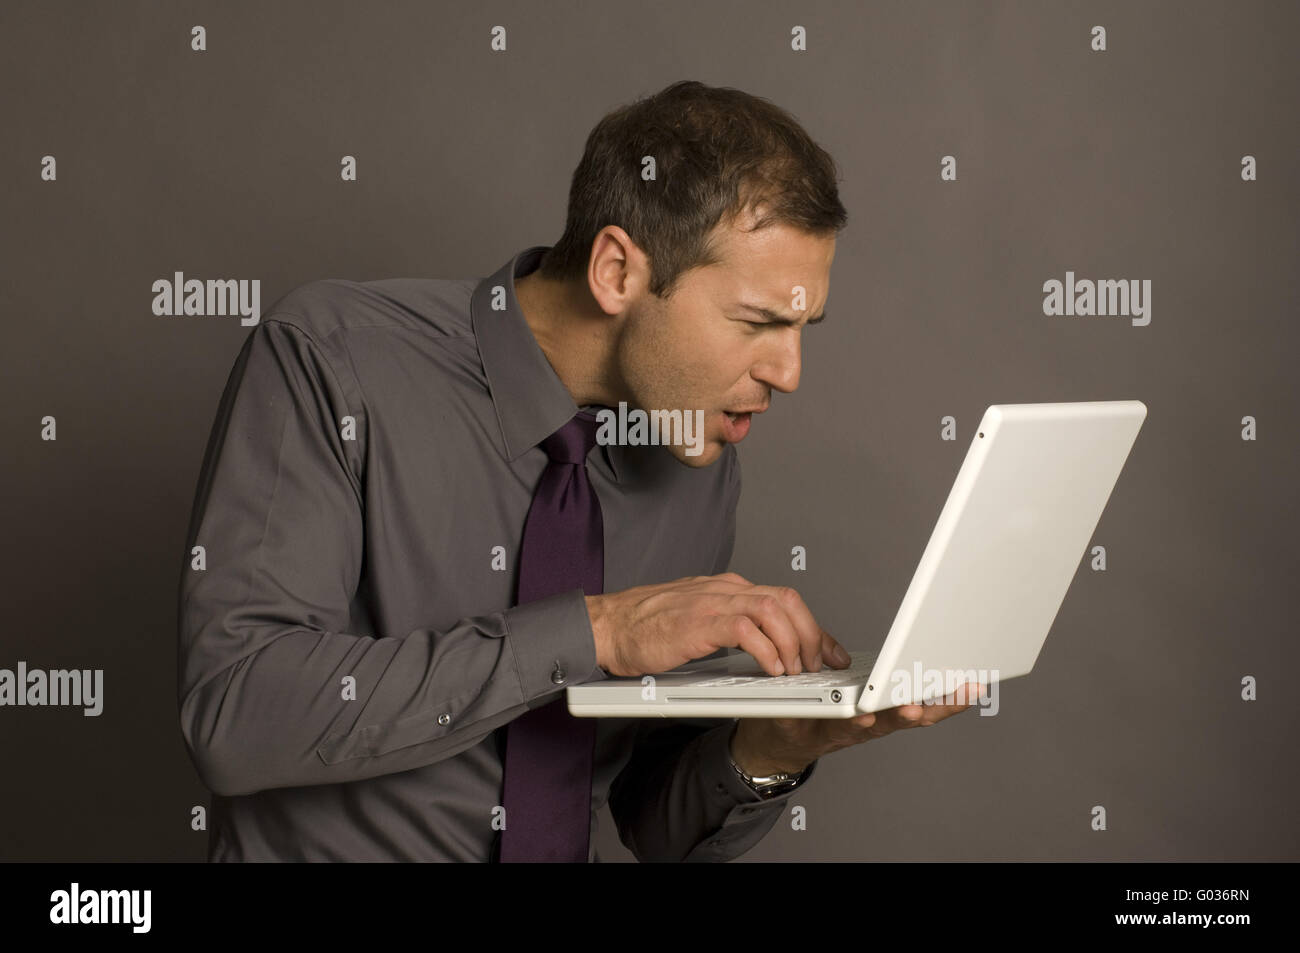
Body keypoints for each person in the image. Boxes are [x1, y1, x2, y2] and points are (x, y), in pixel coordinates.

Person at [176, 79, 974, 863]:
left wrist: (778, 740)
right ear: (617, 272)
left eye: (804, 326)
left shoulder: (695, 454)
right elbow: (238, 712)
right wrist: (598, 630)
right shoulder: (332, 358)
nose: (791, 371)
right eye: (758, 322)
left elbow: (649, 818)